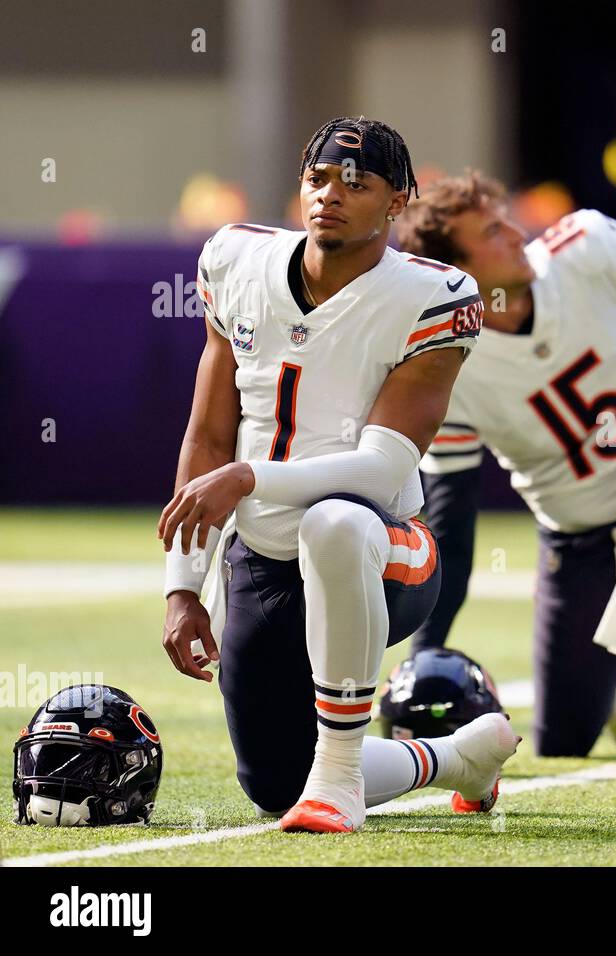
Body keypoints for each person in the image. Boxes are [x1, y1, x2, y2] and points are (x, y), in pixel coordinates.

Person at [158, 117, 519, 835]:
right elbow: (207, 435)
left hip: (390, 550)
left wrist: (250, 479)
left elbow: (384, 468)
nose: (330, 194)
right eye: (318, 179)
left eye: (356, 183)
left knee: (337, 519)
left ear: (397, 203)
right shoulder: (236, 263)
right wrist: (182, 587)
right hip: (264, 558)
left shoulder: (433, 296)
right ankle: (457, 760)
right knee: (274, 785)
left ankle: (345, 776)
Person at [397, 172, 616, 774]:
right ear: (457, 268)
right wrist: (424, 659)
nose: (516, 233)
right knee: (563, 741)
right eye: (492, 232)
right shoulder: (448, 360)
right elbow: (451, 531)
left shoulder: (586, 249)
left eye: (507, 218)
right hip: (578, 543)